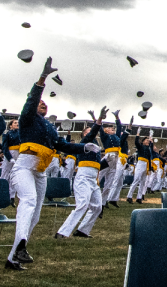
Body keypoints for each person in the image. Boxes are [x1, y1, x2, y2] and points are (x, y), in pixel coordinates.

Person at [6, 57, 93, 271]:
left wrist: (84, 148)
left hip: (40, 171)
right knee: (28, 200)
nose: (43, 104)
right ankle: (20, 248)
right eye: (40, 103)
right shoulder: (27, 118)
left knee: (35, 214)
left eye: (46, 104)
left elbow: (61, 144)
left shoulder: (49, 127)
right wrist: (42, 78)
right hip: (25, 166)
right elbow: (32, 99)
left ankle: (13, 256)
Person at [54, 108, 107, 240]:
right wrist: (99, 120)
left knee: (97, 207)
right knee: (82, 204)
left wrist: (107, 161)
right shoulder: (84, 143)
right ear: (83, 135)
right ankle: (62, 232)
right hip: (83, 177)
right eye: (88, 131)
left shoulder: (95, 146)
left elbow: (98, 165)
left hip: (93, 178)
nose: (91, 133)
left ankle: (82, 230)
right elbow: (93, 133)